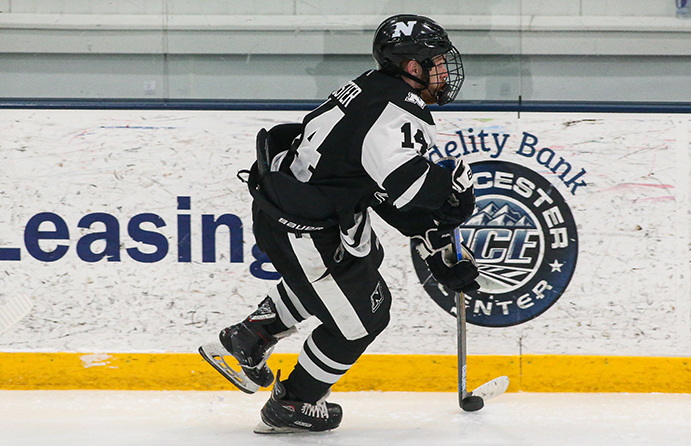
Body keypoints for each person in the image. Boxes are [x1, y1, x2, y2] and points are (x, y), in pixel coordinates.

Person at [199, 14, 480, 434]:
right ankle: (294, 402)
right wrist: (452, 189)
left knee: (354, 274)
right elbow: (408, 190)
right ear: (412, 67)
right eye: (437, 62)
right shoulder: (397, 113)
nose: (445, 72)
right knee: (364, 318)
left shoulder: (370, 86)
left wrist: (434, 243)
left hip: (297, 210)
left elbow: (379, 187)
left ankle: (249, 338)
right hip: (306, 228)